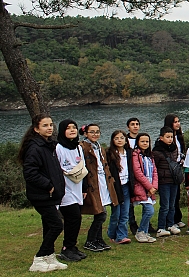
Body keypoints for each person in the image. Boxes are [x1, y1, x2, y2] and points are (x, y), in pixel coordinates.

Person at [20, 114, 68, 272]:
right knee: (56, 225)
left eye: (51, 125)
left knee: (49, 226)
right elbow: (30, 173)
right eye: (45, 125)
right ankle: (39, 258)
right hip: (41, 195)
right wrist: (48, 185)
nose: (49, 128)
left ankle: (49, 256)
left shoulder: (49, 146)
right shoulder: (35, 147)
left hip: (50, 195)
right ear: (36, 129)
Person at [79, 124, 118, 252]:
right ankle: (91, 240)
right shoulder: (82, 147)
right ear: (86, 134)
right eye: (92, 132)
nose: (95, 134)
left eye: (97, 132)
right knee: (100, 213)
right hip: (93, 183)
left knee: (102, 212)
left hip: (103, 182)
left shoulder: (100, 147)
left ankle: (98, 239)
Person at [55, 119, 88, 262]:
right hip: (65, 189)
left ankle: (72, 246)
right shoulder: (58, 148)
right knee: (73, 217)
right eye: (68, 128)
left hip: (77, 186)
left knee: (76, 218)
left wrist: (84, 187)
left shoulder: (78, 147)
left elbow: (83, 168)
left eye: (74, 127)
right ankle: (66, 248)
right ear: (62, 131)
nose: (72, 130)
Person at [151, 126, 182, 237]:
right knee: (165, 205)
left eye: (171, 137)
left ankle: (170, 224)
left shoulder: (174, 148)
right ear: (161, 138)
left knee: (172, 204)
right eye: (167, 137)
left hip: (174, 179)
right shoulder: (157, 151)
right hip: (164, 181)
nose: (170, 139)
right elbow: (154, 167)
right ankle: (161, 227)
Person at [106, 130, 133, 244]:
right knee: (116, 213)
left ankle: (121, 236)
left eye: (122, 138)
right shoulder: (110, 153)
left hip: (126, 185)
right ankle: (111, 233)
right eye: (116, 138)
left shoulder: (129, 152)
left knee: (125, 213)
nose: (119, 140)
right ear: (112, 140)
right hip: (115, 187)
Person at [130, 133, 158, 243]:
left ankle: (145, 233)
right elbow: (138, 172)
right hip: (141, 186)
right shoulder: (135, 155)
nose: (145, 143)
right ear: (137, 142)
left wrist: (154, 187)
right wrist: (149, 187)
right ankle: (140, 231)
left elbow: (155, 171)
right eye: (142, 141)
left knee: (148, 210)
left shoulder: (149, 155)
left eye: (147, 141)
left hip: (150, 187)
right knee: (149, 210)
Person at [164, 114, 186, 228]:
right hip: (169, 170)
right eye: (175, 122)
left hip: (178, 168)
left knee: (176, 195)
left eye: (178, 121)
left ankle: (177, 218)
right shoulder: (166, 138)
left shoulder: (179, 136)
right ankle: (170, 221)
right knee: (170, 198)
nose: (178, 124)